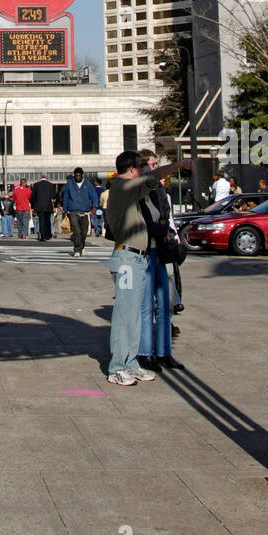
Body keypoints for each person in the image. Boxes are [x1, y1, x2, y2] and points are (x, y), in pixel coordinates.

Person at [105, 151, 168, 384]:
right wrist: (179, 163)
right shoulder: (121, 187)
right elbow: (151, 179)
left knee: (133, 315)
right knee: (124, 315)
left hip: (138, 259)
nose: (144, 170)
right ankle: (117, 367)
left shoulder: (129, 190)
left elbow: (151, 186)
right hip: (126, 260)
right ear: (132, 169)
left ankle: (130, 363)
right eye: (141, 166)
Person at [137, 159, 184, 372]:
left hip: (160, 251)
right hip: (145, 252)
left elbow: (166, 216)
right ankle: (145, 353)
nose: (152, 177)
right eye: (148, 172)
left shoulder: (157, 193)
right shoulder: (135, 197)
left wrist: (169, 233)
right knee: (147, 307)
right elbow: (142, 224)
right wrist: (160, 231)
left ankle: (164, 352)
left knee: (165, 305)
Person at [62, 167, 99, 257]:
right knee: (76, 231)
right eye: (76, 176)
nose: (77, 177)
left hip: (85, 211)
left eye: (79, 175)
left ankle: (82, 247)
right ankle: (77, 249)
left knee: (84, 231)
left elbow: (94, 196)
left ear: (82, 175)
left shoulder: (88, 184)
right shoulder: (70, 183)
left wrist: (94, 206)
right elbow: (66, 196)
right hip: (73, 210)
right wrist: (65, 209)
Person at [30, 173, 55, 241]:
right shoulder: (50, 185)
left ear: (40, 177)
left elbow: (33, 196)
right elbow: (53, 195)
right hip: (48, 205)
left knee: (41, 220)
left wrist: (33, 205)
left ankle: (42, 235)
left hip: (39, 205)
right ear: (46, 177)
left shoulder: (36, 185)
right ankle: (48, 234)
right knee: (47, 220)